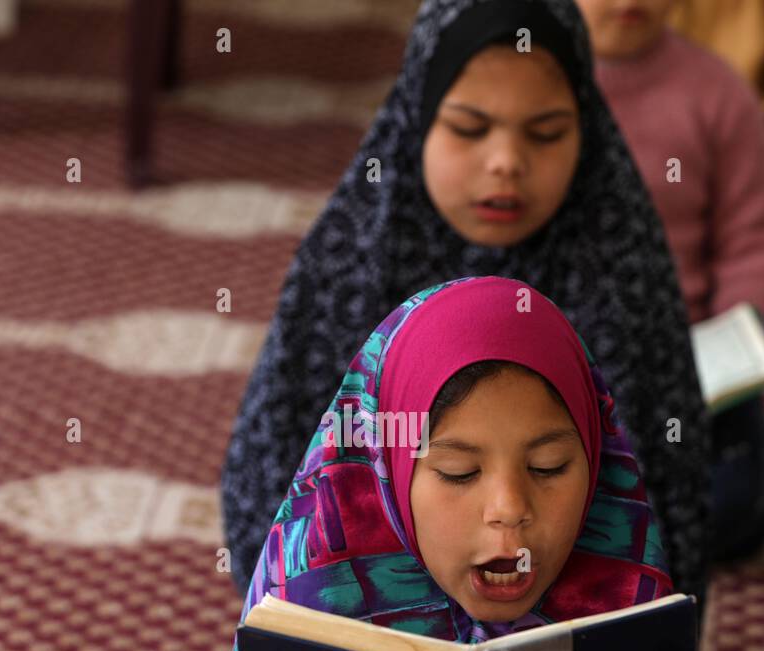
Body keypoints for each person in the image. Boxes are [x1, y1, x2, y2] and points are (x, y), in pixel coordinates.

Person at [162, 277, 716, 651]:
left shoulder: (622, 624)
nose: (509, 508)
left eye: (549, 466)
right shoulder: (313, 604)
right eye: (457, 471)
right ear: (387, 473)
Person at [220, 0, 711, 613]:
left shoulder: (621, 266)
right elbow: (270, 494)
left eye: (547, 132)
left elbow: (674, 497)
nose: (506, 161)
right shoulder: (350, 264)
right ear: (418, 121)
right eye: (470, 128)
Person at [576, 0, 764, 560]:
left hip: (690, 368)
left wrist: (741, 340)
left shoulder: (718, 91)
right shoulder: (533, 88)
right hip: (566, 362)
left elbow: (756, 241)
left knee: (734, 508)